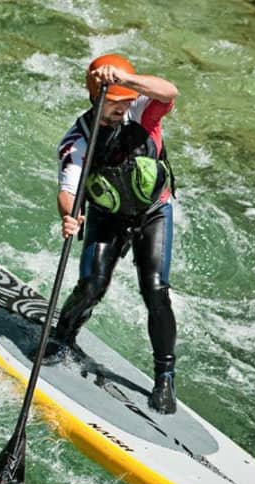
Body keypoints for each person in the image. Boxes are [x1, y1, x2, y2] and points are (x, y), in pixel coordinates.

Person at [45, 53, 181, 414]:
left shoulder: (141, 111)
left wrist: (127, 81)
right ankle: (63, 336)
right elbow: (68, 190)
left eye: (126, 102)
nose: (123, 109)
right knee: (92, 284)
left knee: (155, 290)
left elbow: (170, 92)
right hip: (107, 216)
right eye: (114, 103)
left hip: (153, 213)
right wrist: (69, 216)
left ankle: (165, 378)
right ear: (96, 98)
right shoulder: (78, 140)